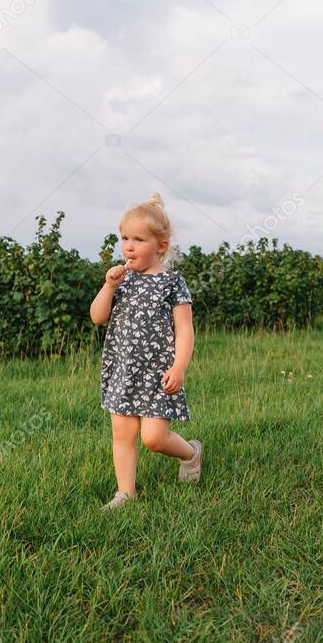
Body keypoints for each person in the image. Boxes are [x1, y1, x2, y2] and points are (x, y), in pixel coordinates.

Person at [89, 193, 202, 510]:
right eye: (124, 238)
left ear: (161, 246)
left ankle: (191, 453)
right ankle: (125, 492)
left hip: (158, 372)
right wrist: (109, 286)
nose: (129, 246)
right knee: (122, 431)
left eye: (139, 239)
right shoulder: (121, 280)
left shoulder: (171, 281)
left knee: (154, 438)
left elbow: (184, 329)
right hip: (124, 369)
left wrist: (179, 367)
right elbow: (98, 317)